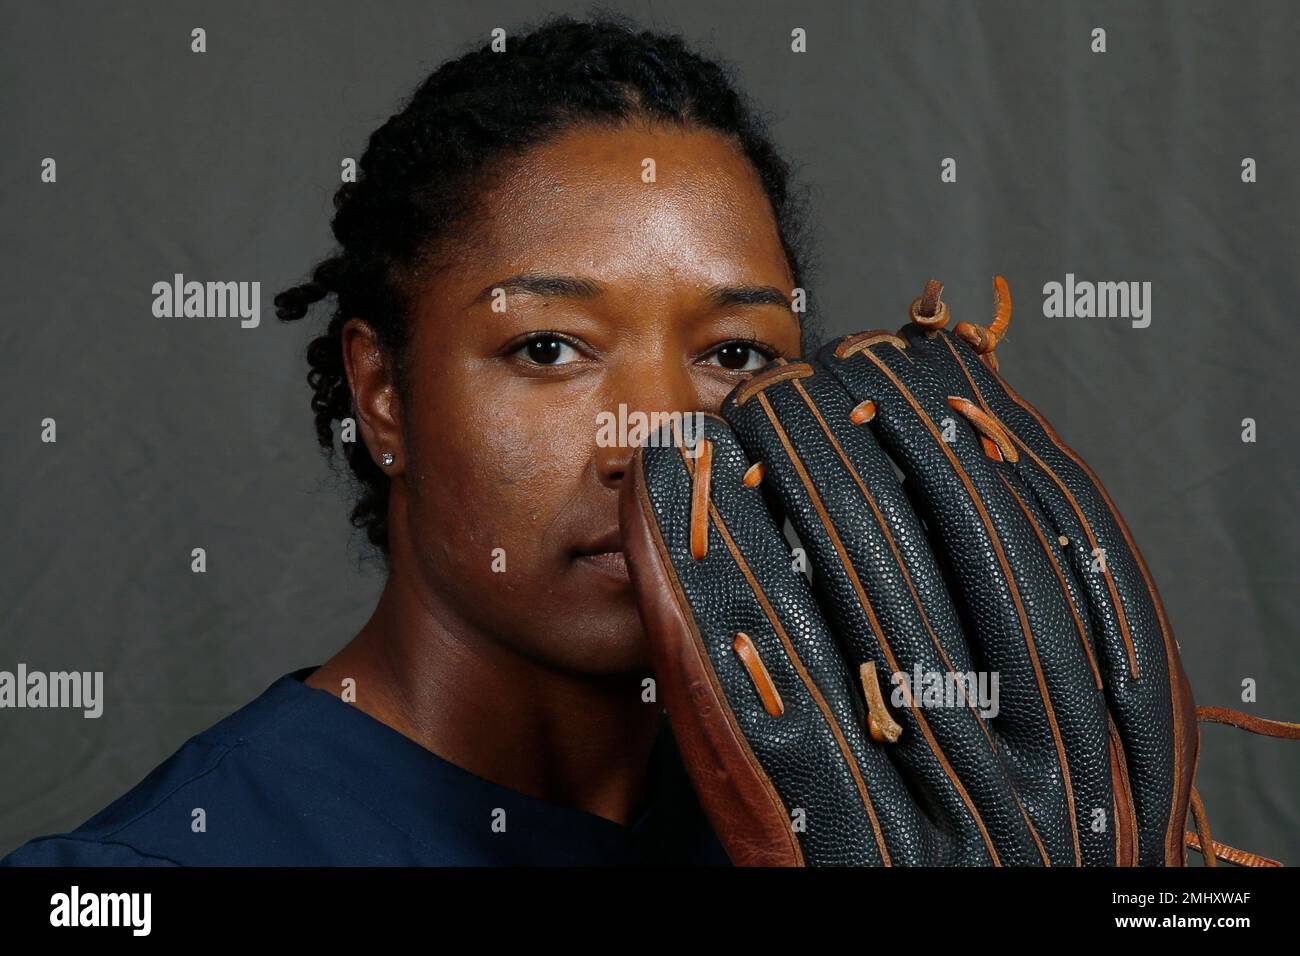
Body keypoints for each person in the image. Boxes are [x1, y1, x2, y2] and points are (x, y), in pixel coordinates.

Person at [2, 14, 818, 866]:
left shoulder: (846, 817)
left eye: (735, 353)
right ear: (383, 393)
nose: (658, 445)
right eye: (547, 347)